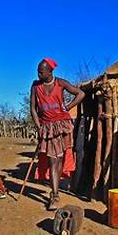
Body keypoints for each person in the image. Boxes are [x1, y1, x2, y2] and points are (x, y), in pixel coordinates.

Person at [30, 58, 85, 210]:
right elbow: (33, 109)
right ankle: (54, 195)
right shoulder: (35, 86)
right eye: (38, 71)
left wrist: (68, 106)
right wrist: (38, 126)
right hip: (47, 128)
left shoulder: (60, 83)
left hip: (62, 126)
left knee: (59, 159)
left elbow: (80, 94)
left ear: (50, 71)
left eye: (41, 72)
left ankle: (55, 191)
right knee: (53, 160)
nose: (39, 74)